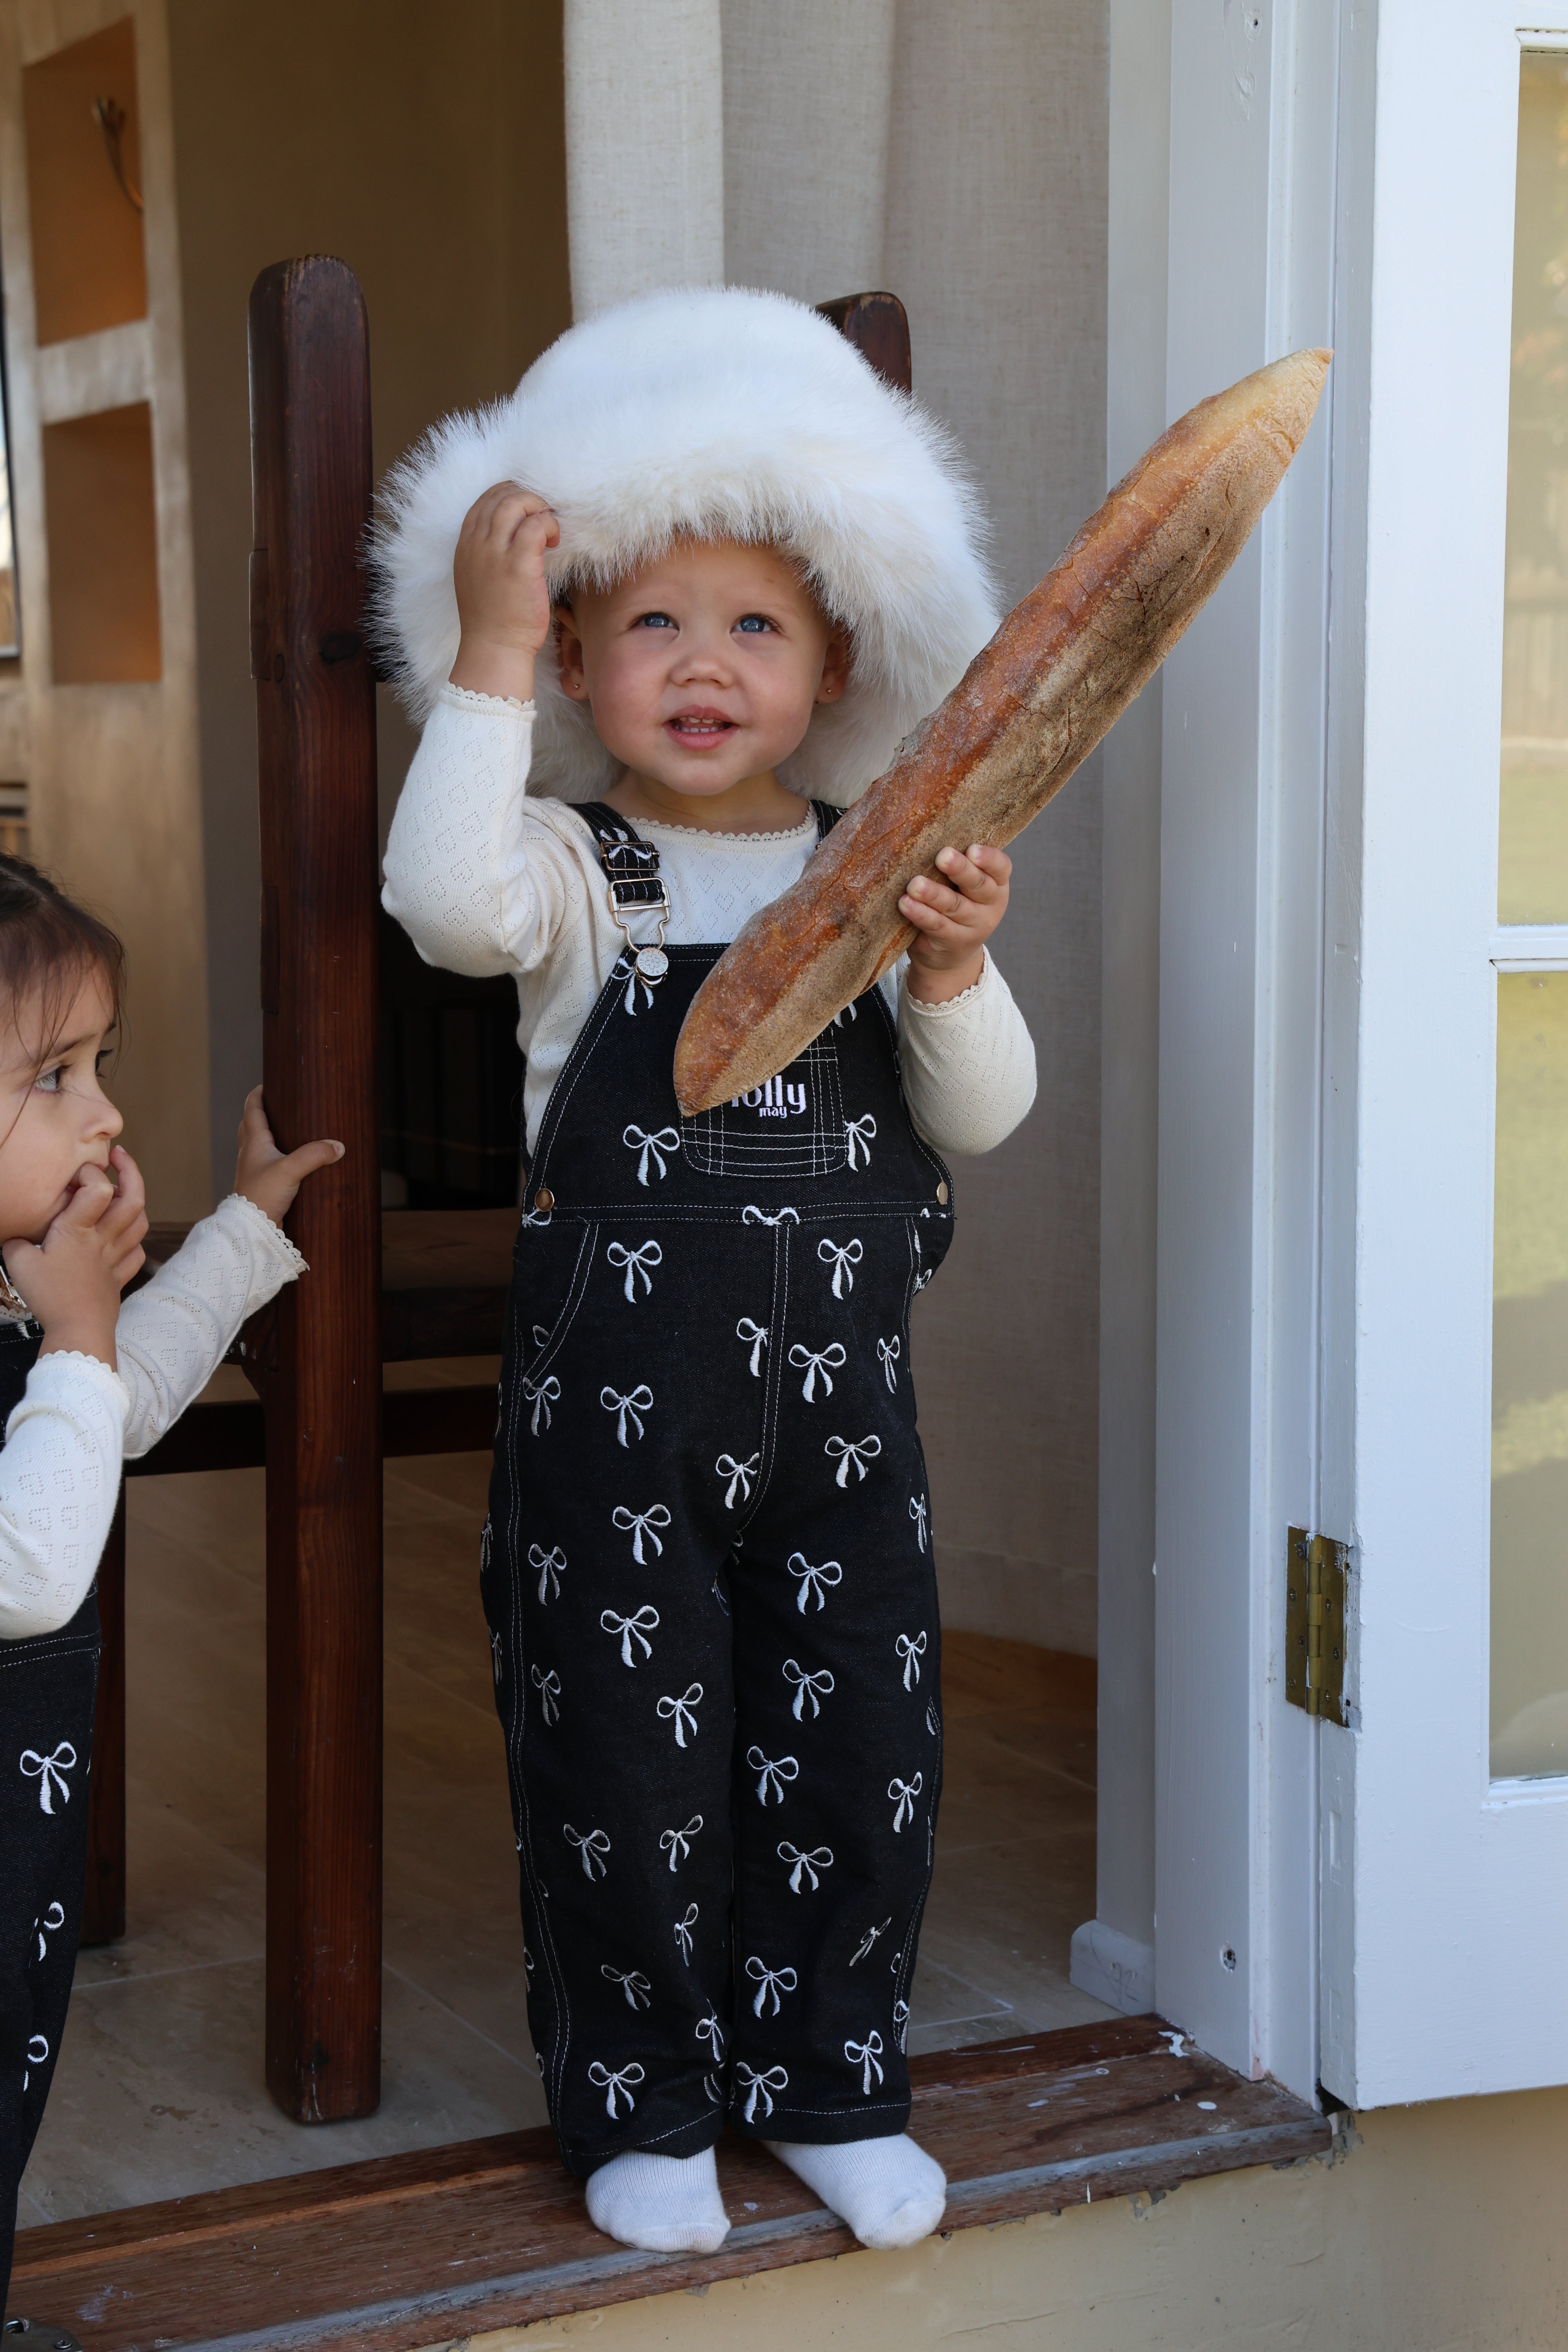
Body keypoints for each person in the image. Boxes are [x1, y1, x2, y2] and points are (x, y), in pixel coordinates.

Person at [376, 287, 1036, 2258]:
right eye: (649, 619)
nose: (700, 663)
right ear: (580, 657)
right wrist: (486, 651)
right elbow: (440, 904)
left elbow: (983, 1116)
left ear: (836, 664)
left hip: (846, 1434)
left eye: (755, 625)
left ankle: (827, 2082)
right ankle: (644, 2099)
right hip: (617, 1427)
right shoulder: (575, 874)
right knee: (621, 1748)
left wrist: (950, 969)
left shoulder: (881, 870)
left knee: (858, 1750)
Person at [0, 856, 341, 2314]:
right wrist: (78, 1334)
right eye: (53, 1076)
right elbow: (27, 1573)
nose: (106, 1114)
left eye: (100, 1065)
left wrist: (244, 1232)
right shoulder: (43, 1315)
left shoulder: (20, 1292)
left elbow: (119, 1400)